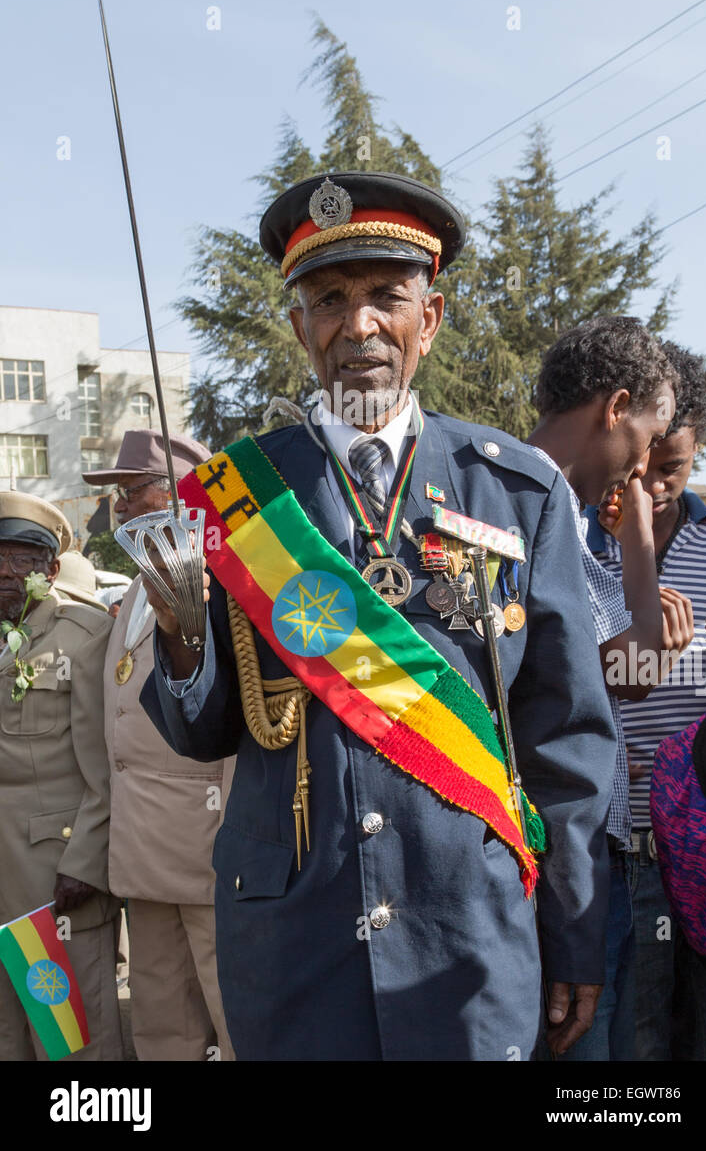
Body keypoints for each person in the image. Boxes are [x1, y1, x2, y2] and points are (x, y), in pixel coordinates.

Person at [141, 170, 617, 1062]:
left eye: (385, 297)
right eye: (328, 299)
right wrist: (180, 636)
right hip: (294, 940)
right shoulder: (240, 500)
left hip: (469, 933)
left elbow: (570, 741)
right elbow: (199, 731)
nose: (357, 326)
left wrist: (574, 933)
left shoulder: (517, 491)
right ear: (299, 327)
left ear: (428, 319)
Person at [528, 317, 694, 1061]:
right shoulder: (533, 502)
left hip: (575, 850)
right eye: (647, 437)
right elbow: (615, 672)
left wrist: (634, 542)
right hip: (547, 857)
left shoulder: (542, 500)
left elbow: (617, 671)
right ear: (615, 407)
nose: (641, 465)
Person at [587, 342, 706, 1060]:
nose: (647, 484)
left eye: (669, 467)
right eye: (639, 464)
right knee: (637, 1031)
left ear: (697, 445)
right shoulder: (574, 539)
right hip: (622, 838)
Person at [83, 430, 234, 1061]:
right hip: (144, 852)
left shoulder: (223, 585)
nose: (120, 506)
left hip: (208, 851)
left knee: (236, 1025)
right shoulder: (135, 593)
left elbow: (232, 725)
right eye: (118, 494)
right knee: (161, 1027)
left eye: (132, 489)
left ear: (178, 495)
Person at [0, 492, 122, 1060]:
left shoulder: (84, 636)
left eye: (22, 558)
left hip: (53, 876)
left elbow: (105, 769)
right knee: (9, 1029)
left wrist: (85, 864)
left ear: (50, 571)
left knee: (70, 1032)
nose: (6, 571)